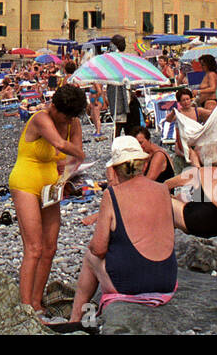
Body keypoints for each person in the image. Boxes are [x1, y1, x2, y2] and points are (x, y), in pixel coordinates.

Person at [68, 136, 177, 324]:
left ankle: (76, 320)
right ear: (143, 164)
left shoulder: (112, 195)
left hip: (131, 285)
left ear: (116, 168)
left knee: (90, 257)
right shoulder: (162, 190)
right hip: (166, 281)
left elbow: (99, 248)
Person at [7, 83, 88, 320]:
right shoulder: (41, 118)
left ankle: (36, 300)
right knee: (34, 248)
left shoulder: (73, 122)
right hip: (25, 182)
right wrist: (76, 155)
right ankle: (25, 307)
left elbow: (74, 155)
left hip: (51, 185)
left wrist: (67, 177)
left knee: (50, 247)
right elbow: (64, 146)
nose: (59, 114)